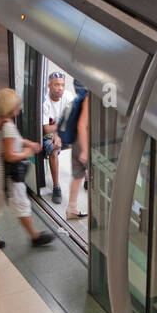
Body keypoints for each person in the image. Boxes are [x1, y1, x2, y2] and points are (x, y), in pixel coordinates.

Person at [0, 88, 55, 252]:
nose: (20, 108)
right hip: (6, 175)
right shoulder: (7, 126)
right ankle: (35, 237)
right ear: (9, 108)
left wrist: (29, 143)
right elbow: (9, 155)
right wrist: (26, 153)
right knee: (20, 203)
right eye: (17, 105)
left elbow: (12, 140)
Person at [41, 71, 71, 204]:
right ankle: (56, 187)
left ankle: (87, 177)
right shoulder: (45, 102)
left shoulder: (67, 97)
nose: (60, 88)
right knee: (53, 149)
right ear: (49, 86)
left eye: (62, 85)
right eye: (56, 85)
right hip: (47, 136)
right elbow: (46, 129)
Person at [65, 78, 90, 221]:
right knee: (97, 180)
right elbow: (82, 125)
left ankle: (71, 208)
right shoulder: (88, 97)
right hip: (83, 142)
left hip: (77, 141)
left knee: (78, 175)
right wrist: (85, 150)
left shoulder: (81, 96)